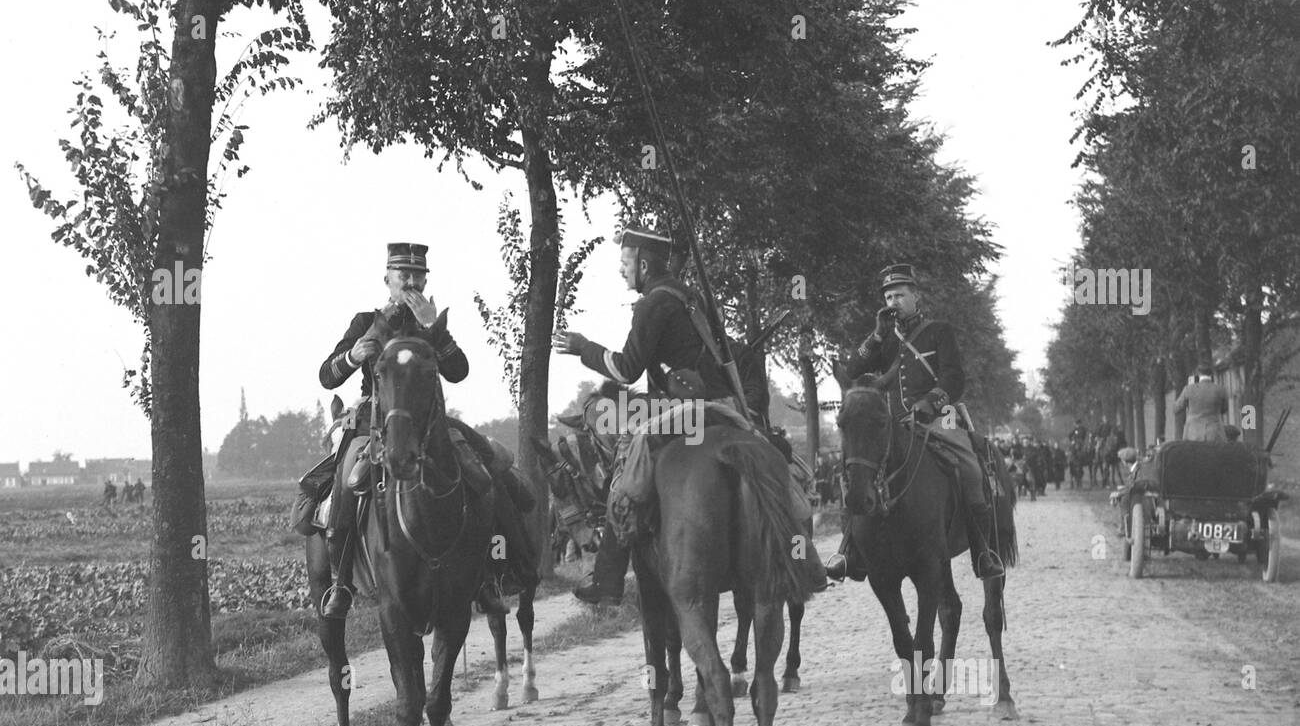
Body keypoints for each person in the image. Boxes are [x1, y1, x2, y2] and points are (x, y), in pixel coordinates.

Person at [553, 224, 825, 604]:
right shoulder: (690, 296)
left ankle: (607, 580)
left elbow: (626, 369)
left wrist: (584, 347)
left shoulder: (651, 304)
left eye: (624, 262)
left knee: (623, 480)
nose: (621, 270)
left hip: (682, 413)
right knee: (775, 462)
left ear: (644, 265)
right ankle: (806, 560)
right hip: (722, 408)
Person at [317, 241, 534, 619]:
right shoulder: (364, 321)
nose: (413, 283)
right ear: (388, 279)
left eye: (419, 275)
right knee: (349, 477)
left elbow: (459, 371)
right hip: (376, 420)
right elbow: (326, 376)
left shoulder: (430, 322)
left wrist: (436, 328)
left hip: (430, 419)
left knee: (483, 471)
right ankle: (341, 581)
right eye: (405, 276)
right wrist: (355, 355)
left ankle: (493, 572)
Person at [826, 263, 1004, 581]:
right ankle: (849, 550)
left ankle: (982, 551)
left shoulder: (939, 331)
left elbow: (954, 377)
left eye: (900, 295)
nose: (894, 302)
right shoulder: (885, 339)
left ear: (915, 296)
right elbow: (853, 371)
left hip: (937, 419)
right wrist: (877, 335)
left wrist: (927, 404)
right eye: (889, 296)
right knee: (853, 469)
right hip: (893, 424)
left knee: (970, 468)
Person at [1174, 364, 1230, 441]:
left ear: (1198, 374)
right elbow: (1224, 409)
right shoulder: (1220, 390)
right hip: (1215, 433)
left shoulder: (1189, 389)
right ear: (1211, 374)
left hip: (1192, 434)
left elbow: (1176, 409)